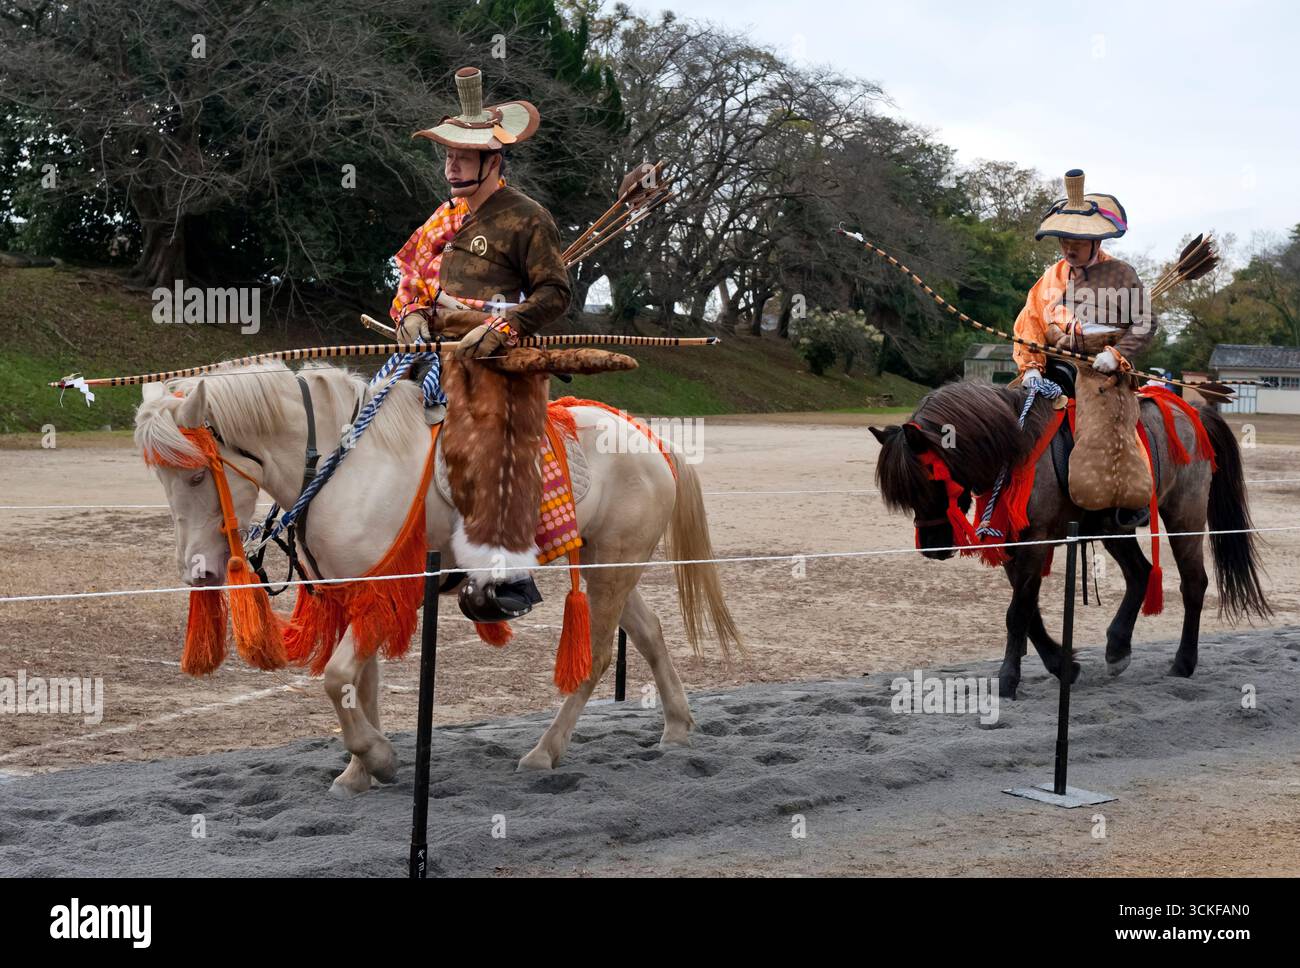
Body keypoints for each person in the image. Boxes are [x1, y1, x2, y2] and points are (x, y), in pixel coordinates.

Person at [389, 66, 571, 621]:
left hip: (497, 359)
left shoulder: (527, 217)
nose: (451, 165)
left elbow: (555, 292)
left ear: (493, 162)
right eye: (447, 154)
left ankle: (504, 574)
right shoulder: (440, 220)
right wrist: (414, 315)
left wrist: (505, 326)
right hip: (431, 355)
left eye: (463, 156)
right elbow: (411, 289)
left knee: (493, 440)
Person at [1012, 169, 1158, 517]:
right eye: (1064, 240)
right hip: (1052, 365)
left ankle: (1124, 498)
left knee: (1105, 429)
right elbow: (1030, 321)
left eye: (1077, 241)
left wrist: (1116, 355)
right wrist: (1030, 367)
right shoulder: (1051, 276)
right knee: (1004, 414)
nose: (1069, 247)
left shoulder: (1121, 274)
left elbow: (1146, 322)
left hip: (1100, 372)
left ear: (1097, 242)